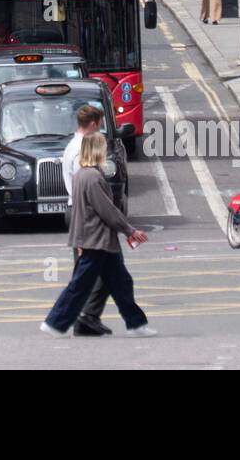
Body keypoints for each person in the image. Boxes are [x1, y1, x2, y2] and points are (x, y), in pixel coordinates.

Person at [42, 132, 153, 338]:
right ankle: (55, 322)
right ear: (96, 150)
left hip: (98, 239)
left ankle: (136, 324)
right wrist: (130, 230)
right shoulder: (92, 177)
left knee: (121, 282)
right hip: (97, 240)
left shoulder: (83, 175)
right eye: (103, 148)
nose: (105, 152)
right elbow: (107, 210)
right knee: (80, 285)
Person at [61, 104, 111, 336]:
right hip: (86, 212)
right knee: (101, 267)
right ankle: (85, 316)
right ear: (92, 124)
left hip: (79, 211)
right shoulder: (83, 150)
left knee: (90, 268)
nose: (99, 129)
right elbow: (88, 186)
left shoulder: (73, 145)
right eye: (99, 124)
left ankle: (83, 316)